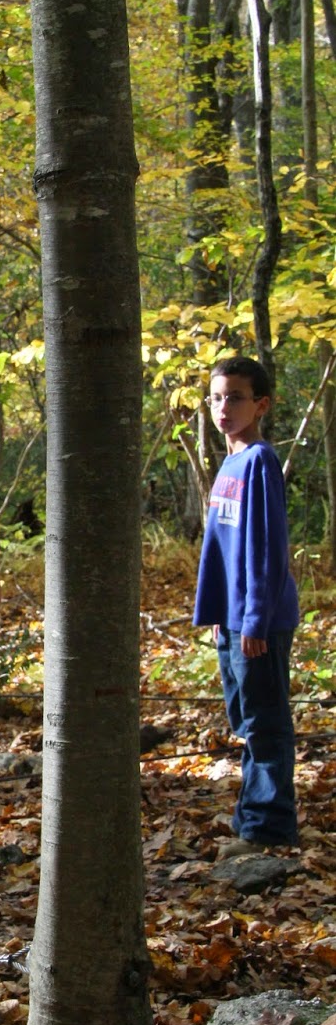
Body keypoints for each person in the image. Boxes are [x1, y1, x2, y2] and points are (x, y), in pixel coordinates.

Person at [193, 355, 298, 856]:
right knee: (245, 720)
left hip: (260, 621)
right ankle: (250, 816)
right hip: (232, 620)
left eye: (235, 397)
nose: (223, 407)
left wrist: (255, 617)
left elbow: (266, 547)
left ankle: (267, 827)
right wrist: (217, 615)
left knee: (265, 722)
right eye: (216, 397)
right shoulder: (229, 464)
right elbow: (220, 550)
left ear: (261, 404)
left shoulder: (259, 460)